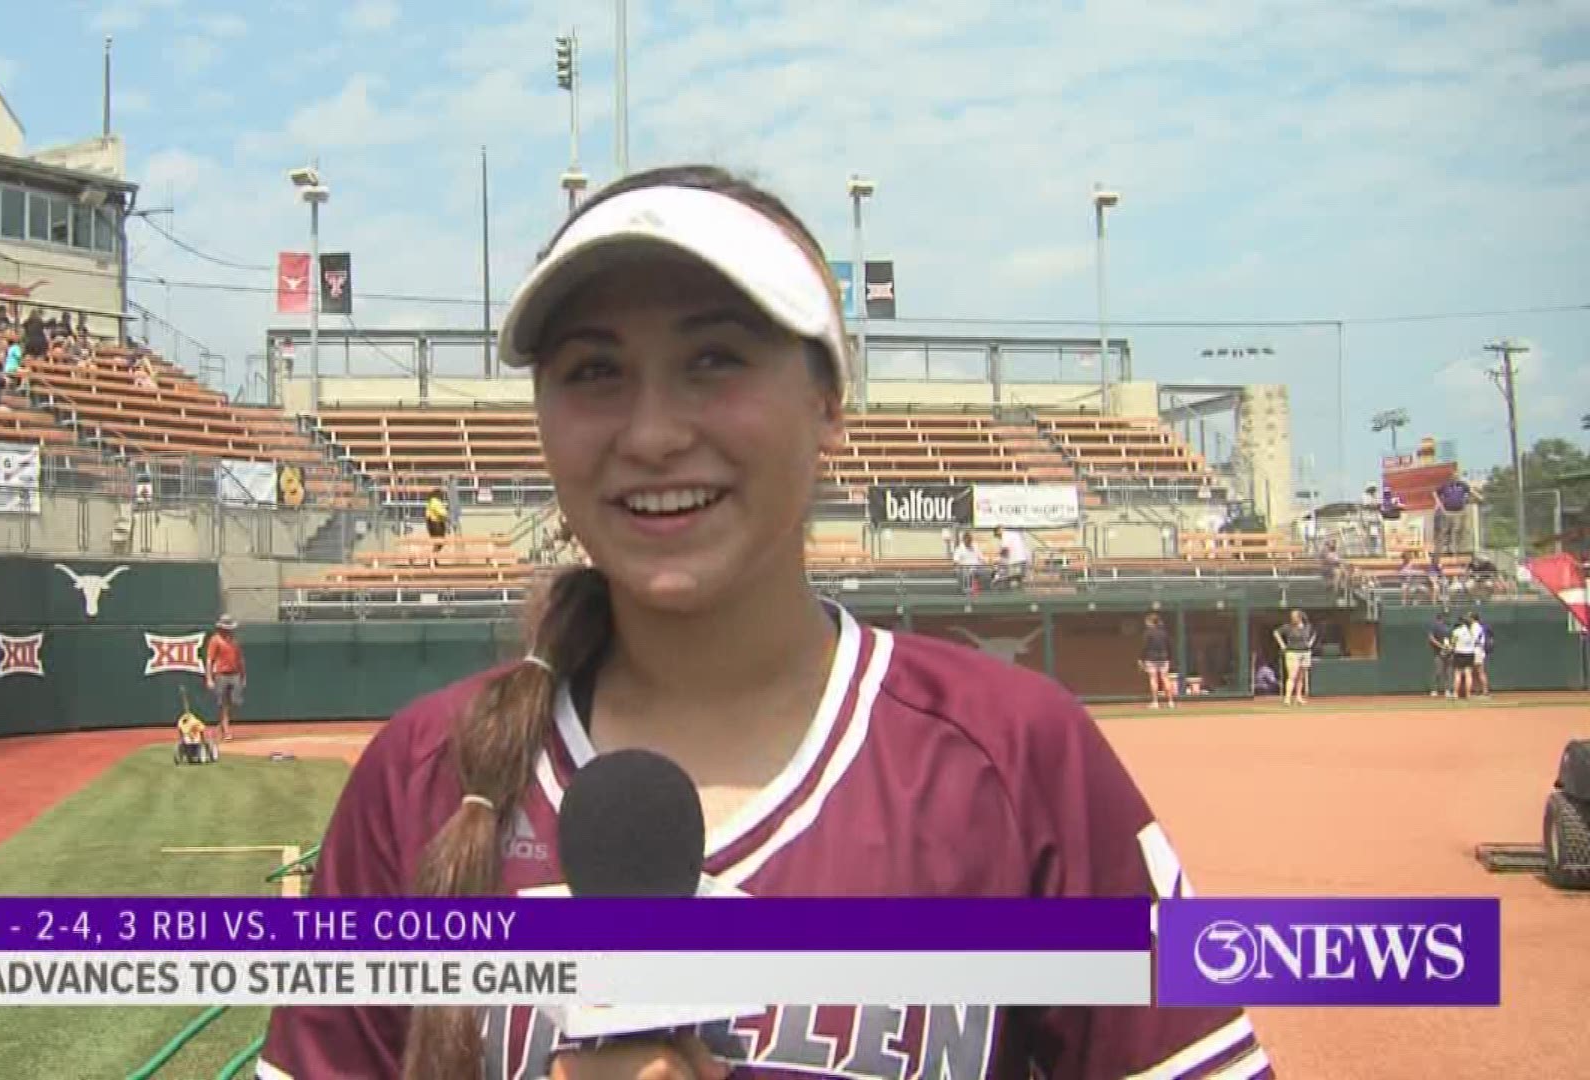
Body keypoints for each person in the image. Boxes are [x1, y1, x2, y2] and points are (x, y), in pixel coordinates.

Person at [258, 165, 1268, 1080]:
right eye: (594, 372)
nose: (652, 434)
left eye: (714, 359)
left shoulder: (1014, 756)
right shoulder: (421, 777)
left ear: (829, 406)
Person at [204, 616, 245, 742]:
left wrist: (243, 676)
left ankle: (223, 724)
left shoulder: (234, 641)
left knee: (235, 701)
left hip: (235, 674)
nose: (228, 630)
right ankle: (226, 730)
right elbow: (210, 660)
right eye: (226, 628)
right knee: (223, 704)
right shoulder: (215, 640)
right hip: (221, 674)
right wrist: (209, 678)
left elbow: (240, 659)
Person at [1273, 609, 1315, 706]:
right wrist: (1282, 645)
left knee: (1301, 677)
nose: (1293, 618)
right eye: (1292, 616)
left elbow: (1314, 634)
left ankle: (1299, 697)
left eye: (1295, 616)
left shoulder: (1307, 627)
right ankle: (1287, 698)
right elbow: (1276, 633)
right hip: (1292, 652)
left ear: (1300, 617)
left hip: (1305, 652)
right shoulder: (1288, 627)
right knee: (1292, 676)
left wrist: (1310, 644)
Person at [1140, 611, 1176, 709]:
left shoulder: (1148, 632)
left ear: (1150, 622)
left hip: (1151, 658)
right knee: (1165, 678)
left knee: (1153, 679)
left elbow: (1145, 646)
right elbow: (1169, 646)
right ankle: (1171, 702)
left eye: (1147, 621)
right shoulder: (1164, 632)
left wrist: (1141, 659)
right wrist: (1170, 658)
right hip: (1164, 658)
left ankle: (1155, 702)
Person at [1447, 611, 1479, 700]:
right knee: (1468, 674)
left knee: (1458, 674)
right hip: (1470, 653)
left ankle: (1456, 694)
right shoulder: (1472, 631)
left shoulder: (1456, 631)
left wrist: (1448, 648)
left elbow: (1452, 644)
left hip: (1459, 653)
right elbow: (1476, 642)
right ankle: (1468, 694)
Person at [1427, 611, 1453, 698]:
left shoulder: (1449, 627)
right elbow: (1431, 638)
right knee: (1438, 671)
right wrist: (1441, 646)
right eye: (1443, 616)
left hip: (1449, 652)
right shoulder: (1434, 626)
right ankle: (1434, 690)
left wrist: (1450, 647)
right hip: (1438, 652)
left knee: (1448, 672)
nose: (1445, 618)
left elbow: (1453, 638)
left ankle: (1448, 690)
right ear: (1439, 618)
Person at [1469, 612, 1493, 698]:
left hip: (1476, 650)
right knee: (1476, 672)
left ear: (1472, 618)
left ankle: (1484, 691)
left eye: (1470, 617)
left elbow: (1475, 640)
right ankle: (1478, 691)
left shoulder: (1475, 626)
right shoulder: (1478, 626)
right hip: (1479, 650)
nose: (1469, 619)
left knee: (1479, 672)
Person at [424, 488, 450, 553]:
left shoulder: (431, 502)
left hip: (433, 522)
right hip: (436, 523)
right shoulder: (435, 501)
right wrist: (448, 515)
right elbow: (441, 512)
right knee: (439, 542)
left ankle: (433, 558)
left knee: (437, 542)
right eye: (441, 494)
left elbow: (427, 514)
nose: (442, 495)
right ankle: (432, 558)